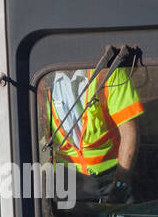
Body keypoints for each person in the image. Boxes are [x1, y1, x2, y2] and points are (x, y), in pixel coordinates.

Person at [46, 45, 143, 204]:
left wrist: (120, 184)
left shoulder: (111, 72)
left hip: (111, 176)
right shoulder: (43, 80)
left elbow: (130, 132)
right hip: (65, 180)